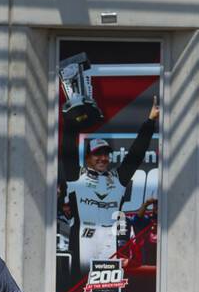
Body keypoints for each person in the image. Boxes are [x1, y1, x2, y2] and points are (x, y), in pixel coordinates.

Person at [59, 97, 159, 272]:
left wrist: (150, 121)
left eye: (106, 154)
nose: (103, 158)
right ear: (88, 157)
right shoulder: (76, 177)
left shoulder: (118, 179)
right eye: (97, 154)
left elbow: (136, 154)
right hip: (82, 245)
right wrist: (71, 121)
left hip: (109, 248)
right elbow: (68, 149)